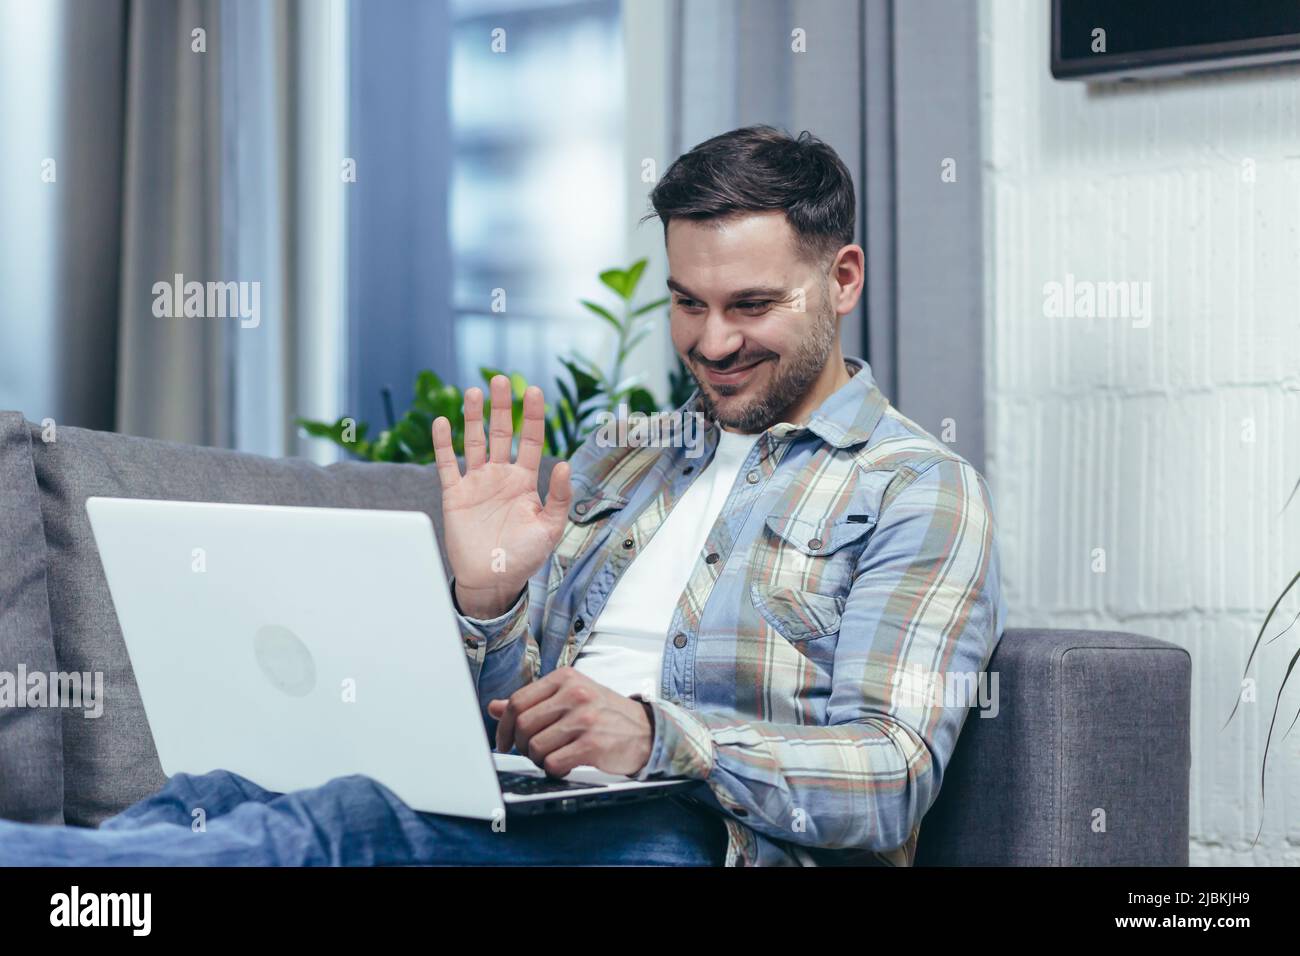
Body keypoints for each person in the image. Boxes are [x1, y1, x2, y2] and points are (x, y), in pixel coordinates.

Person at [0, 125, 1005, 867]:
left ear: (842, 277)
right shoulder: (626, 457)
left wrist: (661, 736)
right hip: (532, 807)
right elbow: (509, 711)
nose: (710, 341)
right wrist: (488, 600)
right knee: (217, 797)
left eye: (750, 305)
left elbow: (889, 772)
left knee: (329, 830)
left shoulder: (917, 489)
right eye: (687, 304)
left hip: (688, 833)